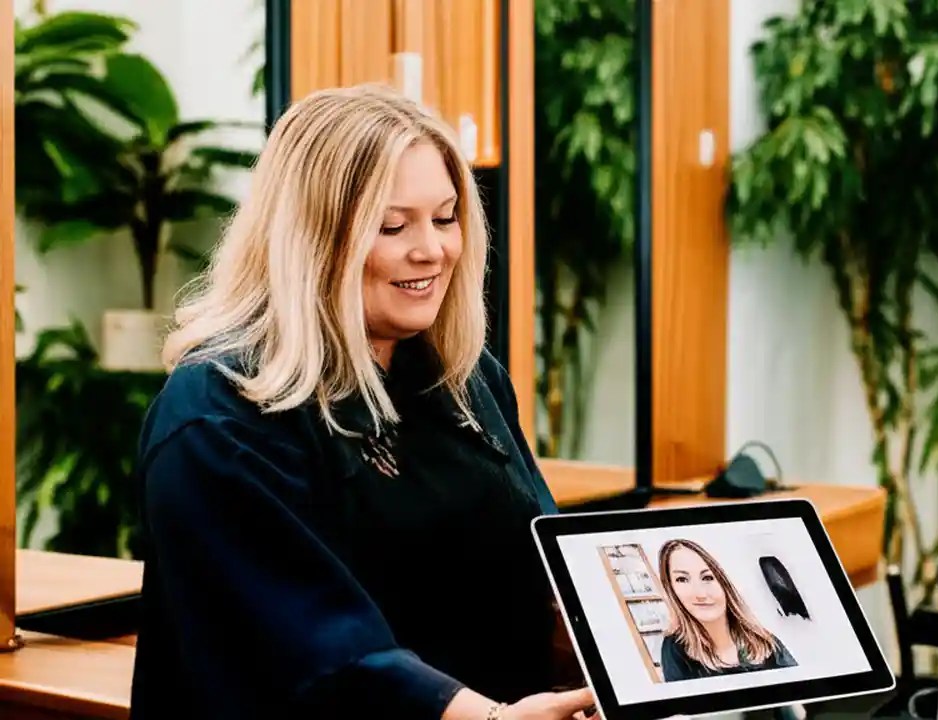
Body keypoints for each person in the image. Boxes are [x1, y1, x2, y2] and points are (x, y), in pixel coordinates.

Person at [129, 84, 596, 720]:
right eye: (392, 226)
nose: (431, 250)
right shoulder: (218, 413)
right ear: (312, 238)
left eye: (445, 217)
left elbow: (542, 557)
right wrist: (487, 718)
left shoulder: (466, 376)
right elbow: (310, 647)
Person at [656, 539, 798, 682]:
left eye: (707, 577)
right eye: (682, 579)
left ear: (723, 584)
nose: (700, 594)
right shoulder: (674, 649)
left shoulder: (765, 643)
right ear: (671, 590)